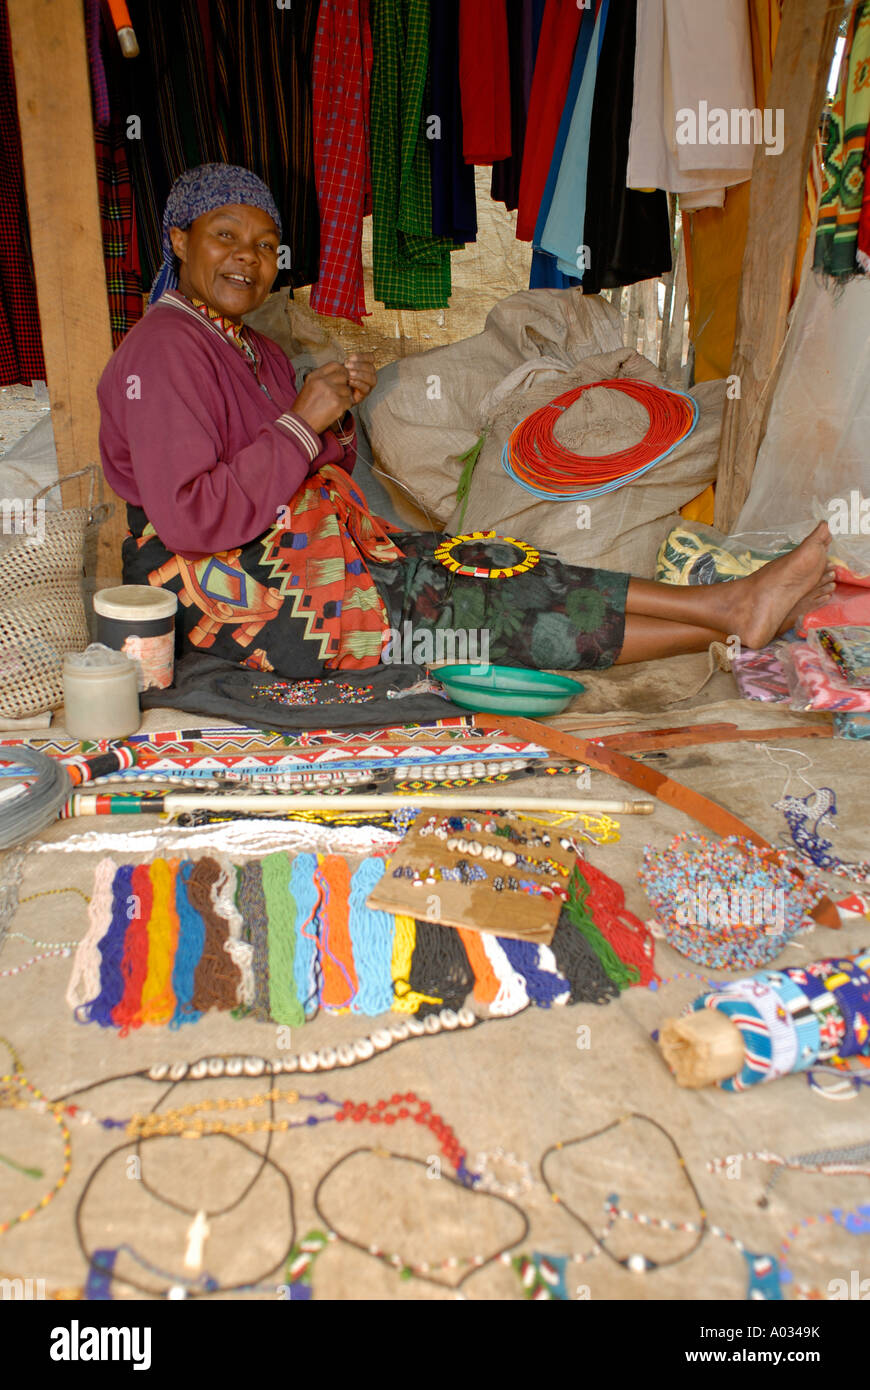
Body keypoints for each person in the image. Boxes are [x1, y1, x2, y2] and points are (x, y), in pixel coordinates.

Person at [98, 163, 834, 681]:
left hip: (295, 550)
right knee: (464, 612)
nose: (248, 260)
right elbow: (193, 517)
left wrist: (332, 419)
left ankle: (726, 610)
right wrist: (300, 422)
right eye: (226, 236)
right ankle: (728, 613)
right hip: (226, 589)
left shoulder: (245, 341)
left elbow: (283, 460)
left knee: (482, 560)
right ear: (179, 238)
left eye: (265, 245)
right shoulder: (165, 349)